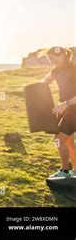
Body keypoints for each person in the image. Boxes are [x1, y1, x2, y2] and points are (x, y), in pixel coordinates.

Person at [41, 46, 76, 178]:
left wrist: (66, 104)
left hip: (74, 108)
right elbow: (44, 81)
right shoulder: (55, 71)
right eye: (50, 58)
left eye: (55, 57)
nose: (52, 60)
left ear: (64, 55)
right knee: (68, 141)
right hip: (64, 108)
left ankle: (65, 171)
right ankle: (75, 171)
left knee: (58, 140)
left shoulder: (74, 70)